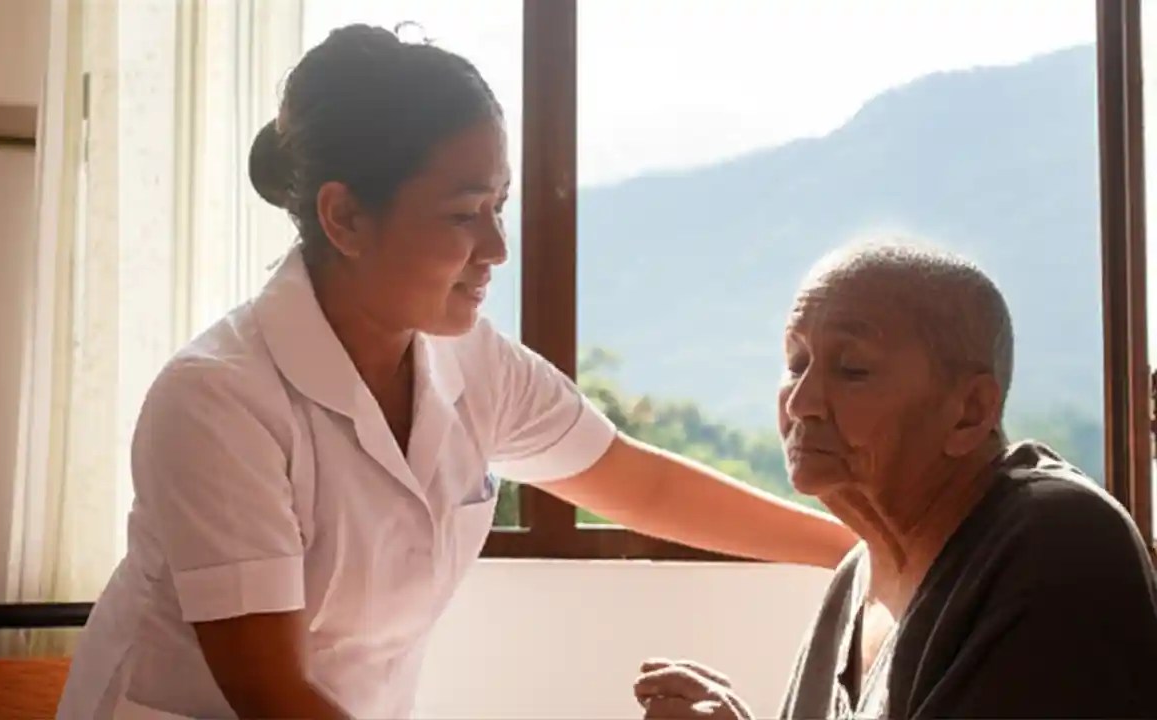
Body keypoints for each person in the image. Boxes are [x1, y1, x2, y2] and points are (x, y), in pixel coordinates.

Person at [57, 24, 855, 720]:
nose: (498, 249)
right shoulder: (218, 401)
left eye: (500, 205)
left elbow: (637, 484)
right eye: (462, 214)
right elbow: (275, 700)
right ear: (344, 217)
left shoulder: (470, 359)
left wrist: (861, 550)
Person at [633, 242, 1157, 719]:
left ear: (969, 412)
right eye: (796, 364)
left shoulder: (1057, 542)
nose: (801, 402)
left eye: (852, 370)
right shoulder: (856, 575)